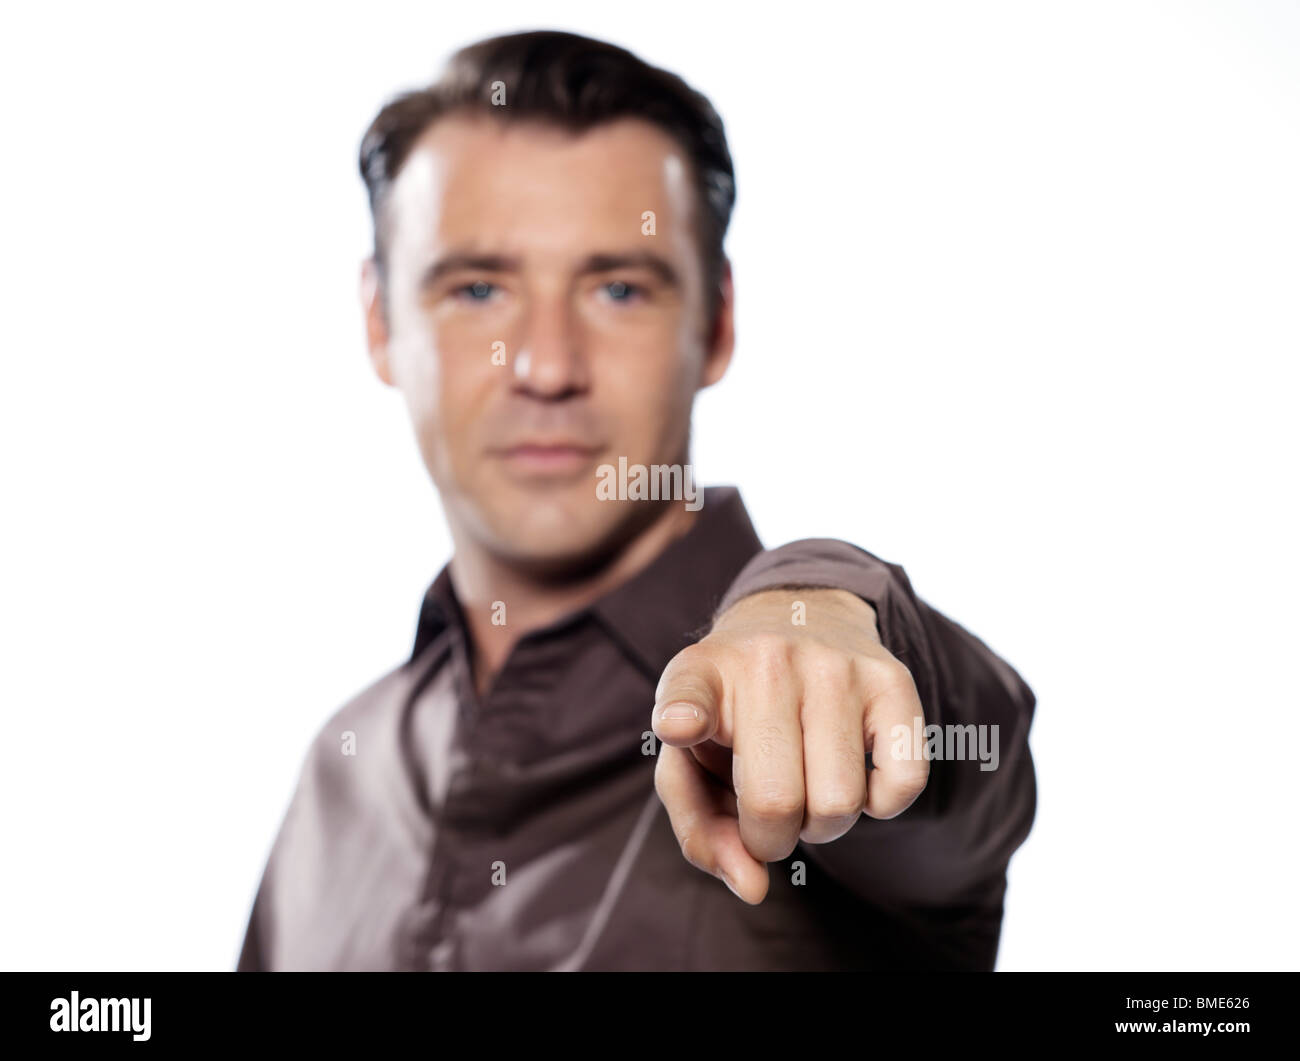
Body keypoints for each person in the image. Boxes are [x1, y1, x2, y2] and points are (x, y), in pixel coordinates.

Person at [236, 29, 1036, 972]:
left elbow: (956, 754)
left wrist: (823, 610)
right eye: (479, 287)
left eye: (618, 287)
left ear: (716, 324)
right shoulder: (346, 763)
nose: (544, 365)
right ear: (380, 322)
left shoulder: (809, 705)